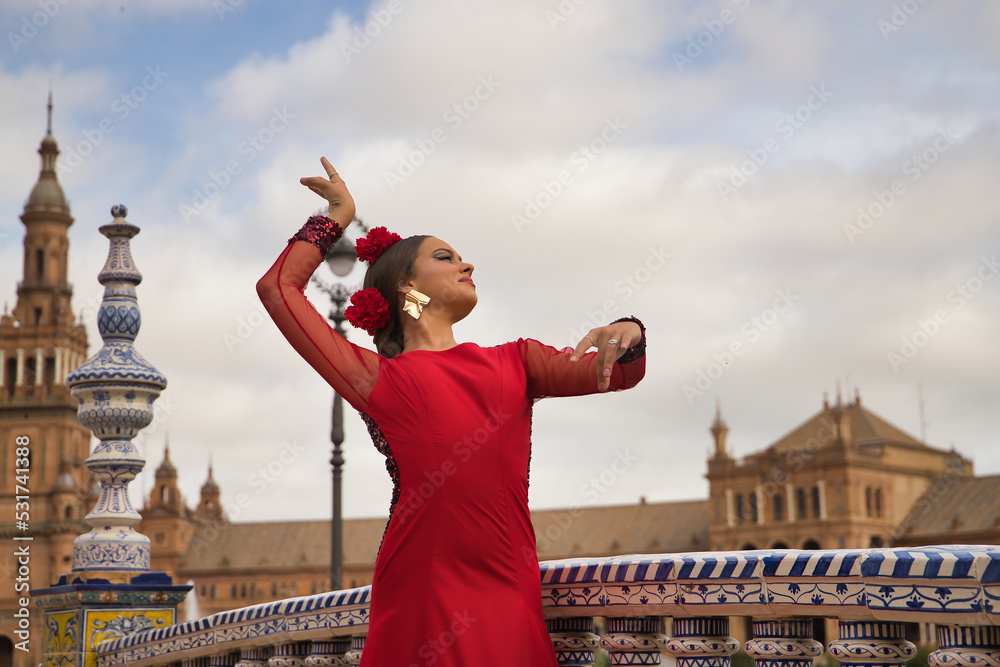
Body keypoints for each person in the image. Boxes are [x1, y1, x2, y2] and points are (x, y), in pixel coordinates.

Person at [256, 157, 647, 666]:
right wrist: (336, 217)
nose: (468, 265)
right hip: (421, 586)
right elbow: (278, 290)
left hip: (510, 584)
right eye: (446, 257)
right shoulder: (379, 380)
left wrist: (628, 331)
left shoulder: (518, 361)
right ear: (407, 289)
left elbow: (618, 374)